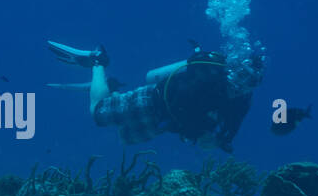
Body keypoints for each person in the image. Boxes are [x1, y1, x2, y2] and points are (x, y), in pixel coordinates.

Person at [47, 40, 264, 153]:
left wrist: (215, 140)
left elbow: (226, 133)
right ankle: (97, 61)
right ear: (233, 68)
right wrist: (201, 131)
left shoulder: (240, 103)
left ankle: (106, 86)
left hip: (161, 123)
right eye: (241, 75)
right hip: (149, 102)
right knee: (98, 113)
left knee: (123, 137)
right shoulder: (209, 75)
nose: (241, 84)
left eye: (250, 82)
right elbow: (178, 99)